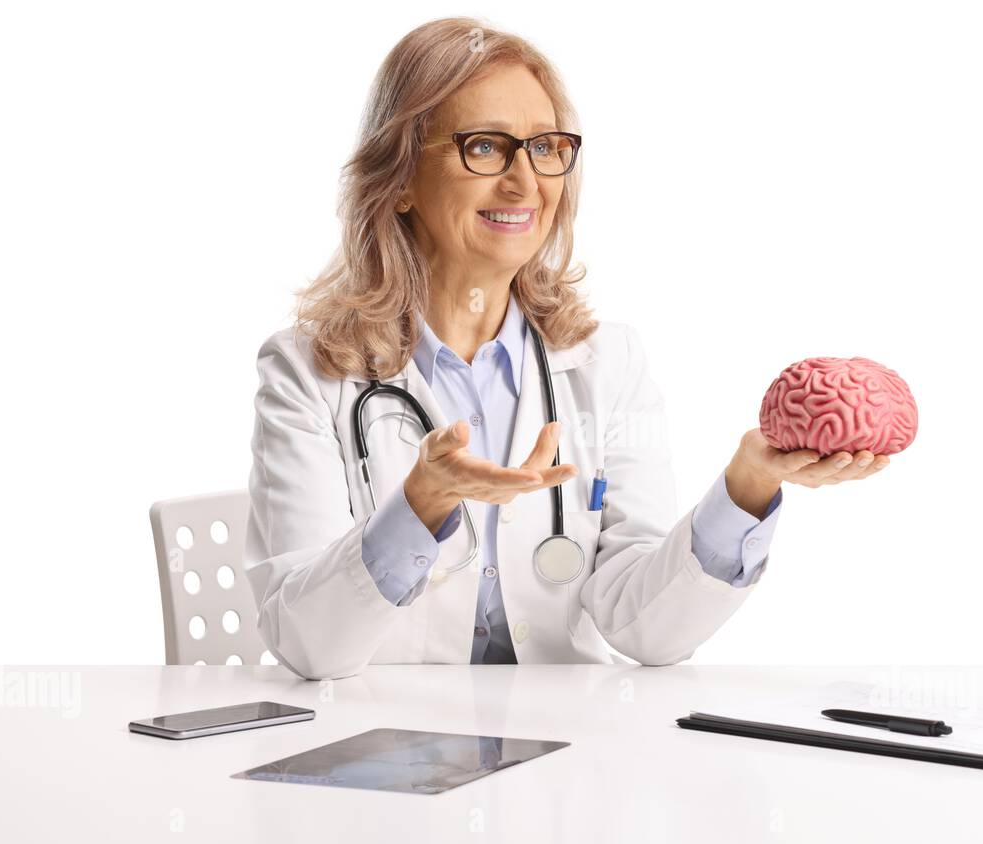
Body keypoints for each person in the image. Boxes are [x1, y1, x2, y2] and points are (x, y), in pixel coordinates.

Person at [245, 18, 889, 680]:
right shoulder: (305, 372)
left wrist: (752, 483)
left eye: (546, 148)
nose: (527, 183)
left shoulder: (607, 364)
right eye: (487, 147)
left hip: (564, 758)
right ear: (401, 179)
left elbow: (646, 629)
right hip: (379, 750)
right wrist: (421, 503)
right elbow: (306, 646)